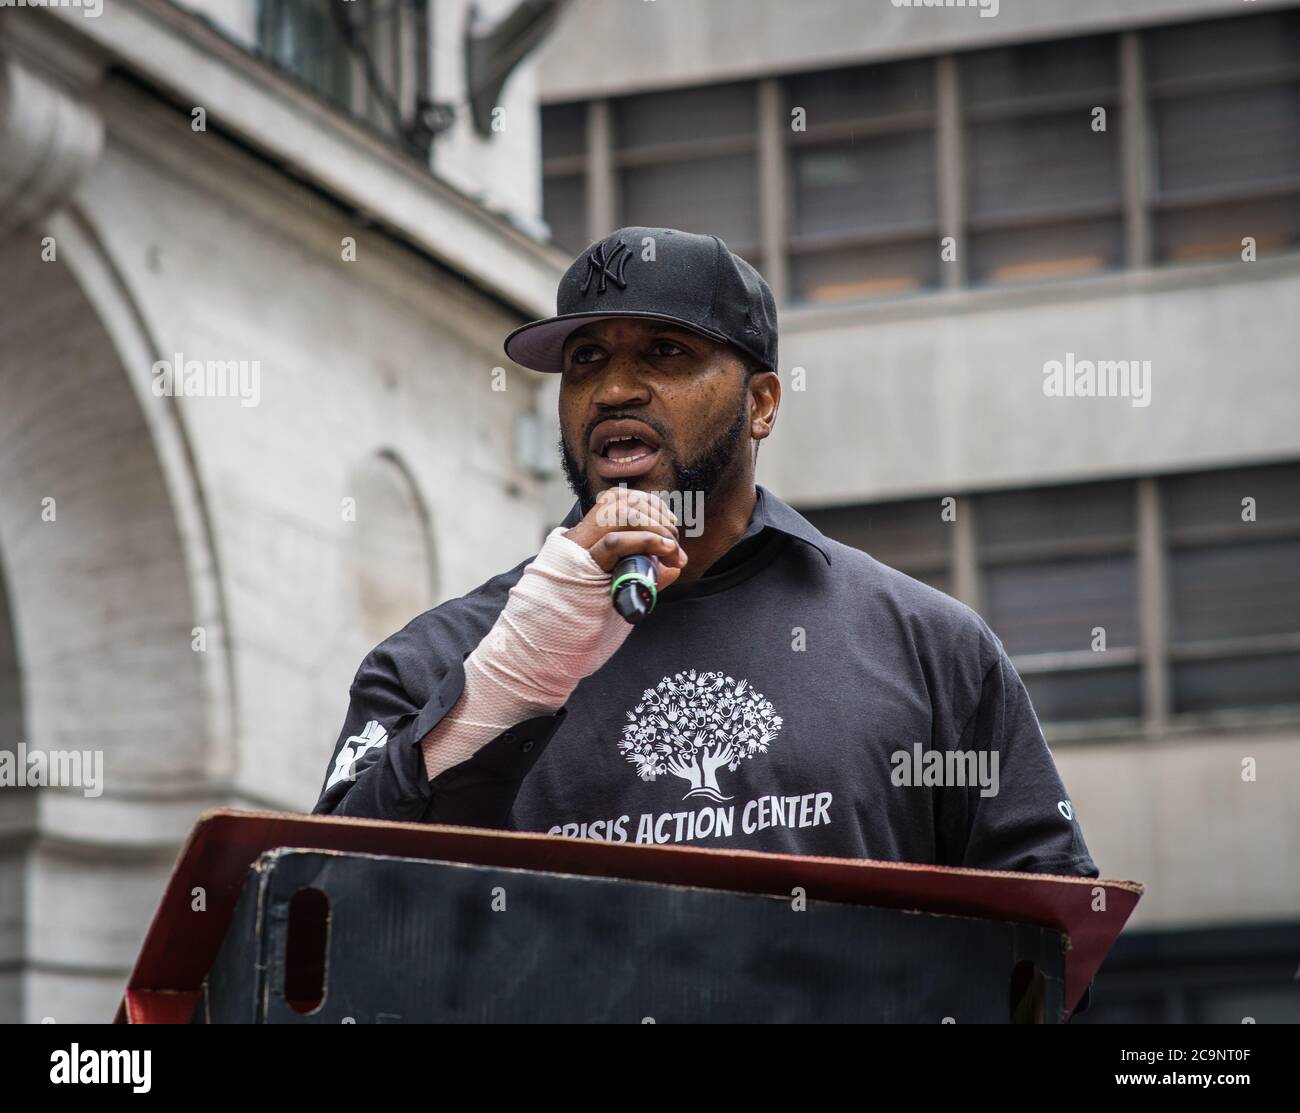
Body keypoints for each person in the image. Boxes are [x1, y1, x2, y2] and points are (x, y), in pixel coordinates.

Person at [311, 226, 1099, 885]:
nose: (615, 389)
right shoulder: (436, 658)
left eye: (665, 352)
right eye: (586, 359)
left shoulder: (926, 645)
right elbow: (324, 912)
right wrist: (510, 681)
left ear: (761, 404)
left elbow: (1049, 938)